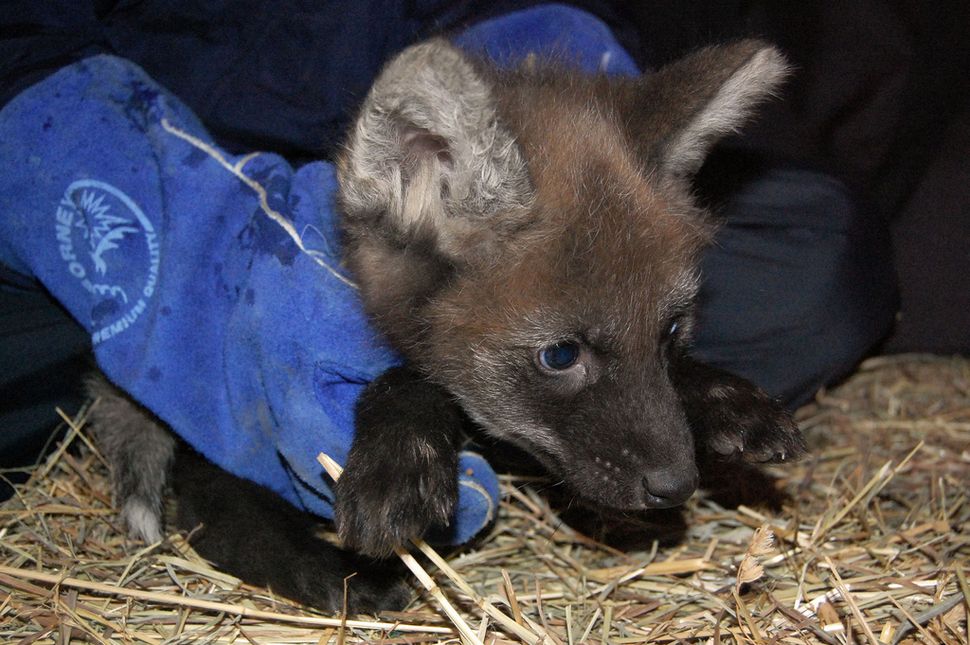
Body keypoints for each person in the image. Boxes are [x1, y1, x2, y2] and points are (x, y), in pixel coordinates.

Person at [0, 2, 897, 519]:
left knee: (821, 262)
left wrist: (538, 52)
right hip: (138, 126)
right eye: (563, 358)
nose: (674, 475)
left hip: (446, 104)